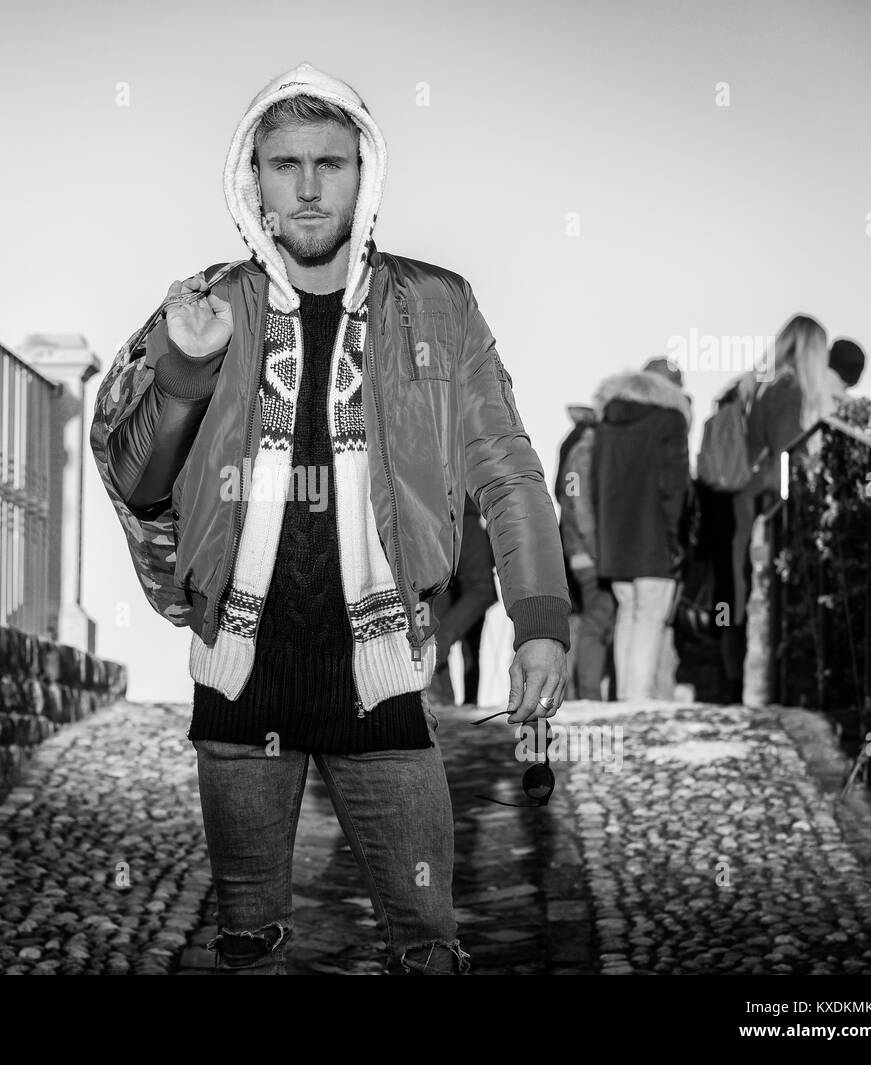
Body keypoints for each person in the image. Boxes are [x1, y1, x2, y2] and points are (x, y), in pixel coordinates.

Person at [90, 63, 570, 975]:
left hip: (383, 684)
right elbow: (136, 476)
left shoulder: (439, 304)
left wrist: (539, 620)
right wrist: (187, 371)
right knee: (249, 950)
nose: (309, 187)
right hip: (240, 689)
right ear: (254, 183)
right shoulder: (206, 305)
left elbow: (507, 470)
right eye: (284, 166)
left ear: (366, 176)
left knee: (430, 948)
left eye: (331, 164)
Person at [718, 317, 863, 694]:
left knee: (755, 596)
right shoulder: (789, 388)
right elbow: (788, 451)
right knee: (772, 600)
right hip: (773, 505)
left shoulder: (762, 384)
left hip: (752, 502)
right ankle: (765, 692)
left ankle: (754, 687)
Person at [592, 357, 691, 700]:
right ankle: (638, 704)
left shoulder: (607, 423)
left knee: (628, 616)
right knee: (649, 619)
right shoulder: (670, 421)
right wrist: (677, 539)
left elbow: (594, 487)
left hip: (616, 543)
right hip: (654, 543)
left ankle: (624, 701)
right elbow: (674, 487)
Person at [556, 402, 614, 700]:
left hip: (578, 549)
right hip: (585, 552)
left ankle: (579, 693)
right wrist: (592, 549)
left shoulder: (577, 446)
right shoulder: (585, 450)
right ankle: (586, 694)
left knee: (585, 620)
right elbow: (575, 503)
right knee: (597, 617)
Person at [429, 493, 498, 705]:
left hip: (436, 522)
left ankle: (449, 700)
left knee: (442, 610)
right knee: (443, 607)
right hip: (456, 517)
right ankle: (443, 697)